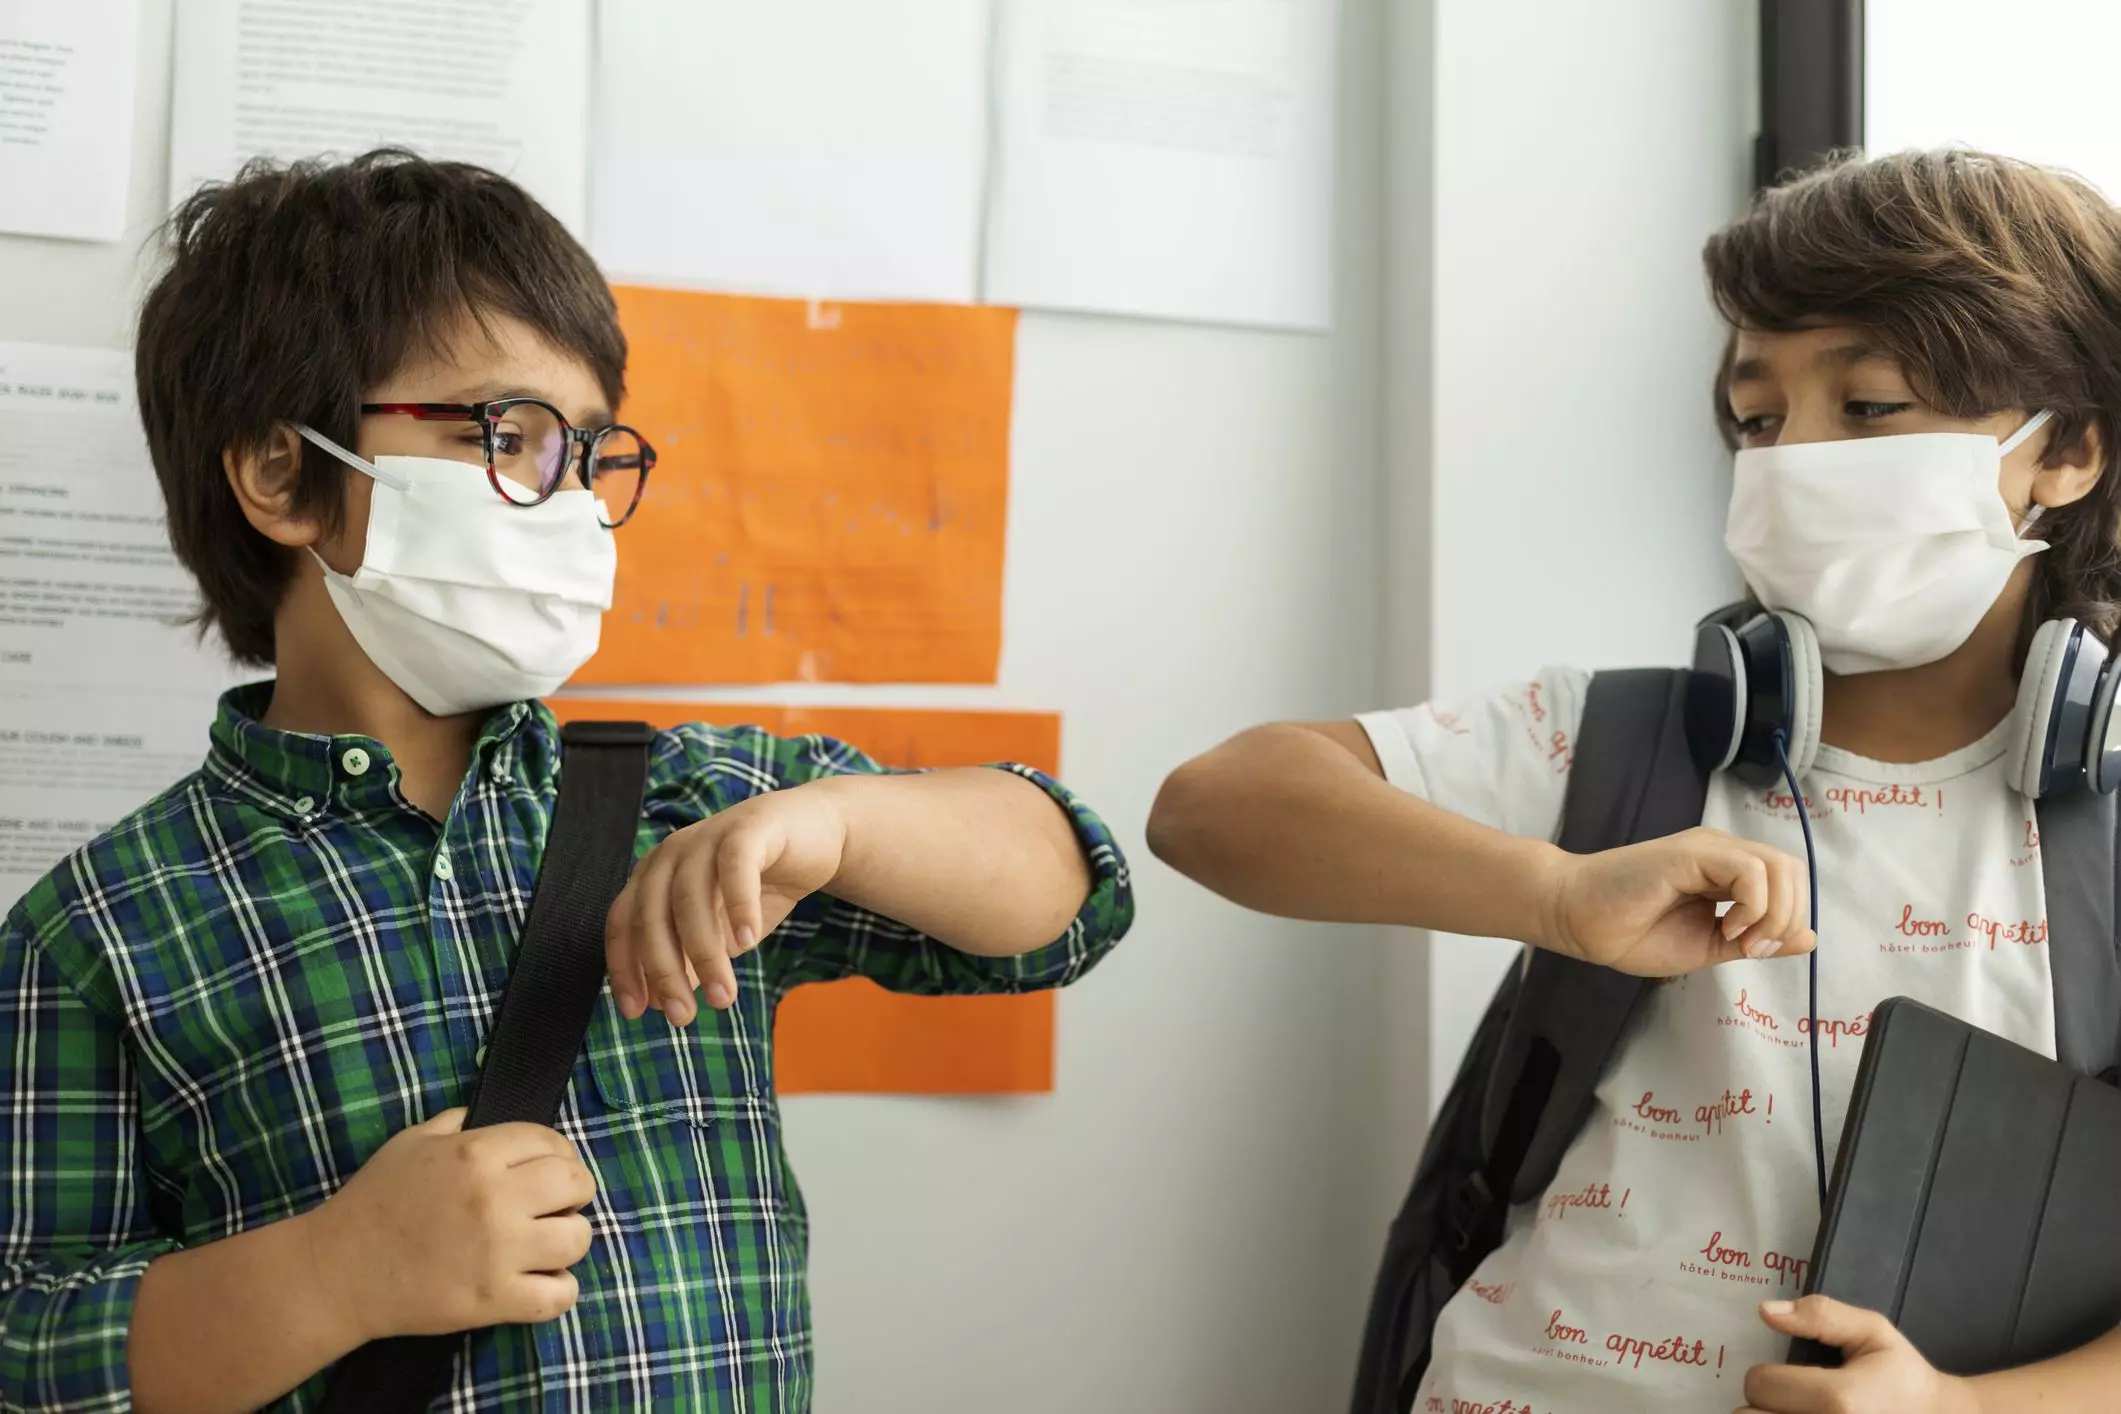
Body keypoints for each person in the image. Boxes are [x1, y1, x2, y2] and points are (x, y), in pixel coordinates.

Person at [0, 151, 1132, 1414]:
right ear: (282, 473)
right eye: (512, 434)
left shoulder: (699, 798)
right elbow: (29, 1343)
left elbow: (1069, 895)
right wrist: (330, 1276)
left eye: (591, 453)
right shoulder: (98, 927)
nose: (574, 505)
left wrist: (842, 819)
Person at [1150, 147, 2121, 1413]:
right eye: (1759, 417)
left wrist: (1965, 1408)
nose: (1789, 459)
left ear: (2070, 453)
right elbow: (1212, 805)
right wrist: (1554, 894)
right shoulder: (1617, 738)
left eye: (1871, 407)